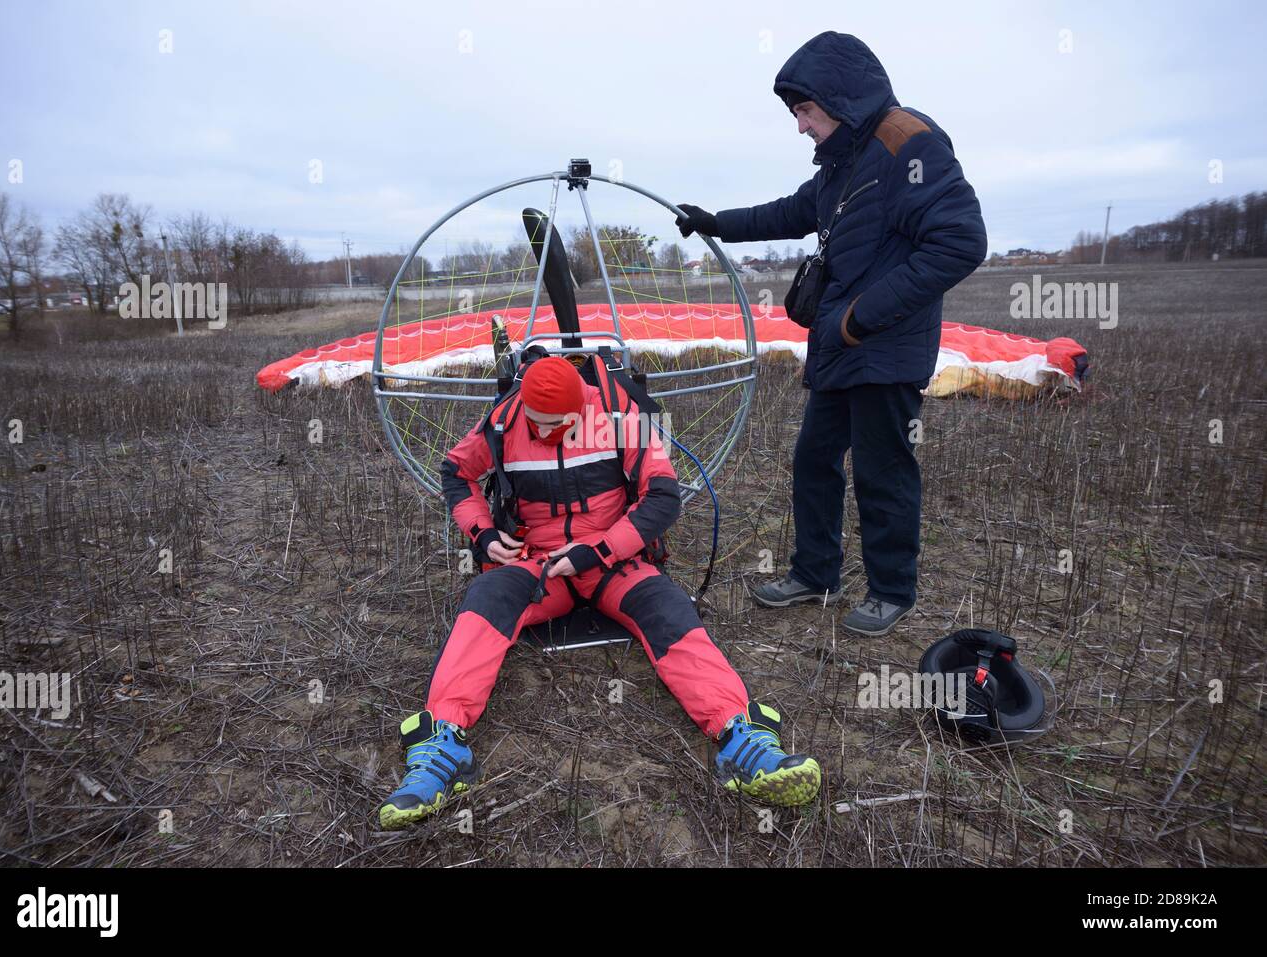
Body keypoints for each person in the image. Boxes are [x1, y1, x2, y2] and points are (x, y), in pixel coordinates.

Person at [378, 356, 821, 828]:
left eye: (552, 424)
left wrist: (599, 551)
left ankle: (743, 739)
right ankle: (440, 749)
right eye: (532, 420)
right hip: (539, 565)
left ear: (577, 413)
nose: (539, 429)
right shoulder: (506, 420)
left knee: (669, 610)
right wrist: (483, 534)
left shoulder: (618, 417)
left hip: (613, 560)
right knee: (486, 600)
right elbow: (456, 472)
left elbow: (662, 497)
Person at [675, 31, 987, 636]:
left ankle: (892, 588)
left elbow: (961, 242)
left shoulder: (907, 144)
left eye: (804, 111)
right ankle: (816, 573)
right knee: (814, 460)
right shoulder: (841, 165)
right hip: (841, 348)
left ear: (839, 99)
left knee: (882, 469)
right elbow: (785, 214)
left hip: (885, 347)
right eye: (795, 114)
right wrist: (714, 222)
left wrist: (862, 315)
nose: (799, 126)